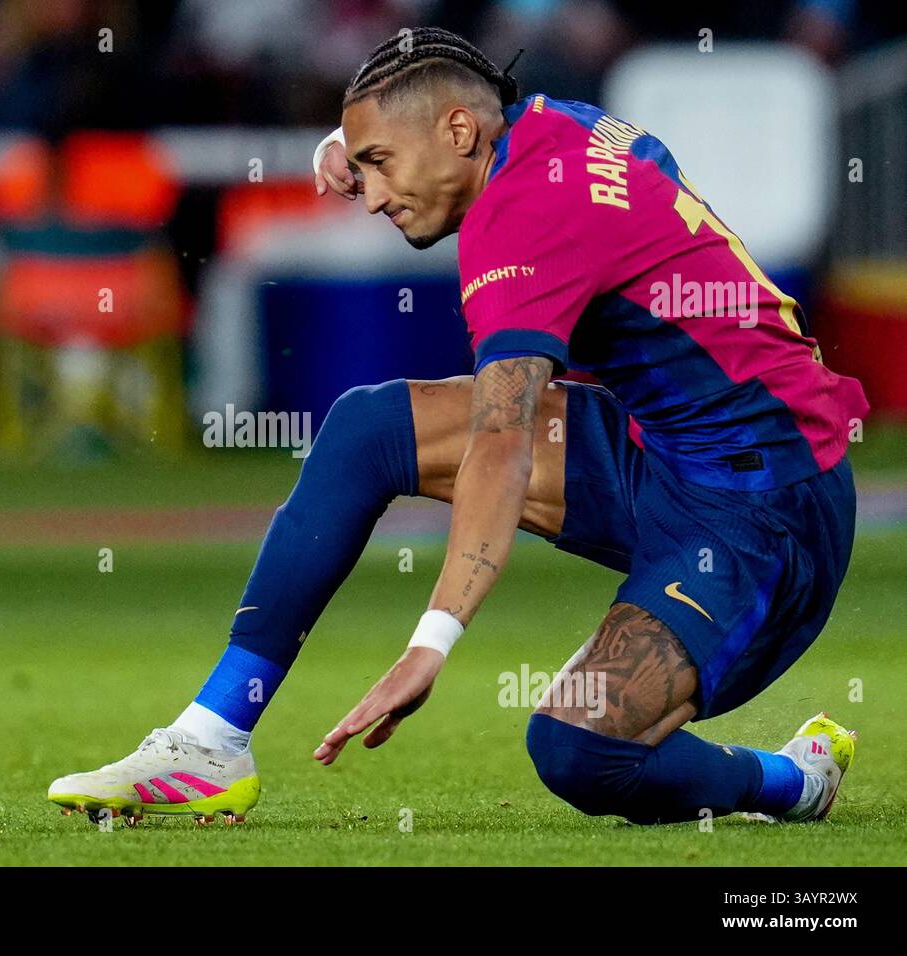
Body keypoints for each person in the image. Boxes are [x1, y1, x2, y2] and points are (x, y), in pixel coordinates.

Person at [47, 27, 866, 827]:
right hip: (662, 450)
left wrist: (429, 642)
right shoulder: (540, 121)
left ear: (459, 133)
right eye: (361, 165)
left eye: (377, 165)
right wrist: (352, 137)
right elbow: (431, 87)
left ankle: (790, 780)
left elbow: (502, 442)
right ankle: (210, 740)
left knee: (576, 748)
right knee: (369, 429)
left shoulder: (524, 221)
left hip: (767, 509)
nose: (367, 194)